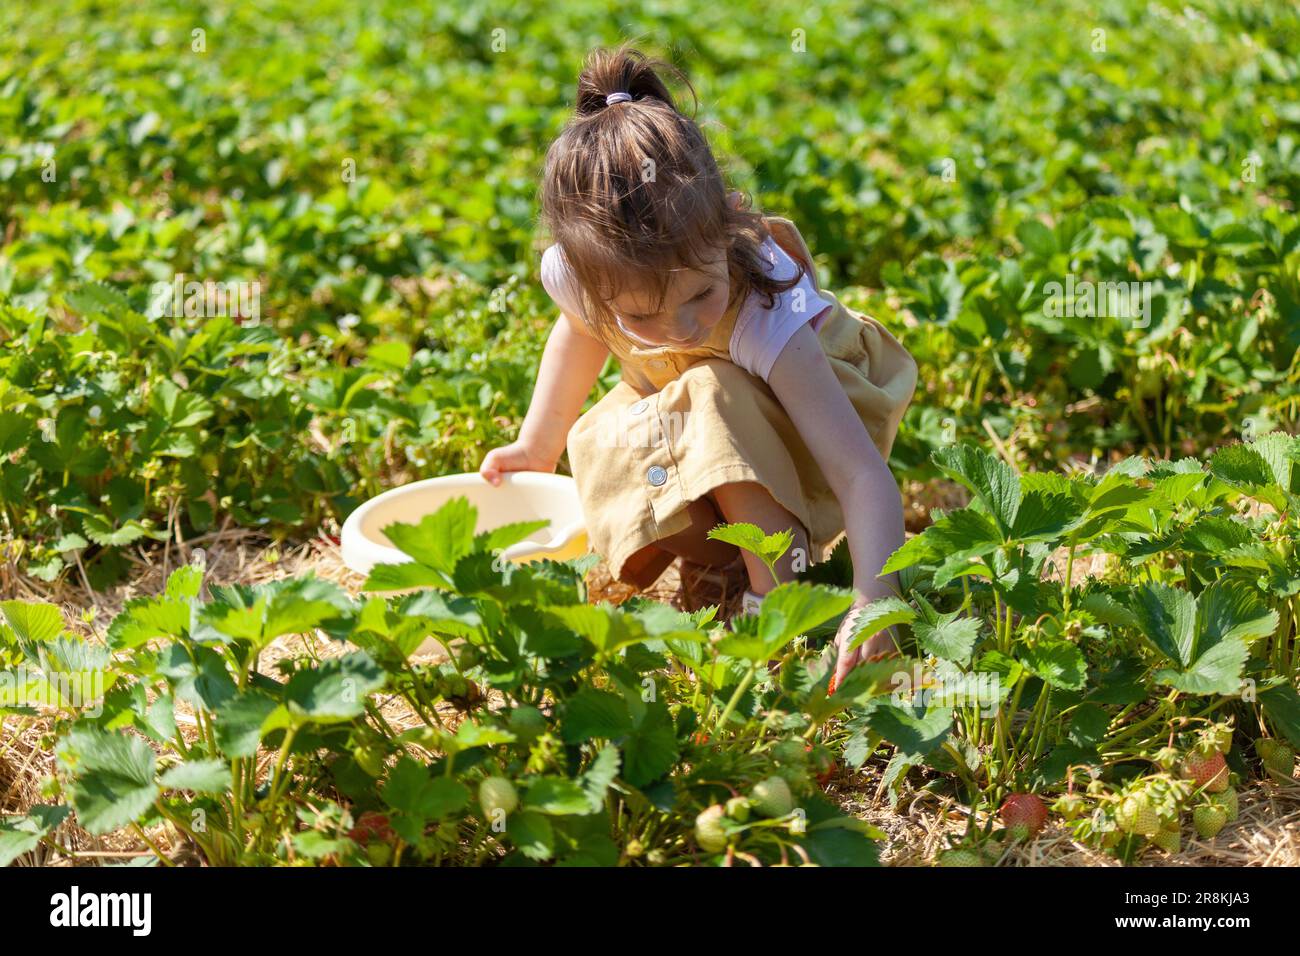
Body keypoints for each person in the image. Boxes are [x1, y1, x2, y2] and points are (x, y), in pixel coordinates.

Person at [480, 45, 917, 684]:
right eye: (641, 317)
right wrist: (537, 445)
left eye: (700, 296)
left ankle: (778, 592)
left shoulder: (766, 312)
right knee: (608, 439)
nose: (681, 326)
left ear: (732, 226)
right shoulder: (581, 276)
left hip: (810, 422)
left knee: (709, 397)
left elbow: (860, 474)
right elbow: (577, 332)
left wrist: (876, 599)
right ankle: (723, 555)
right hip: (710, 409)